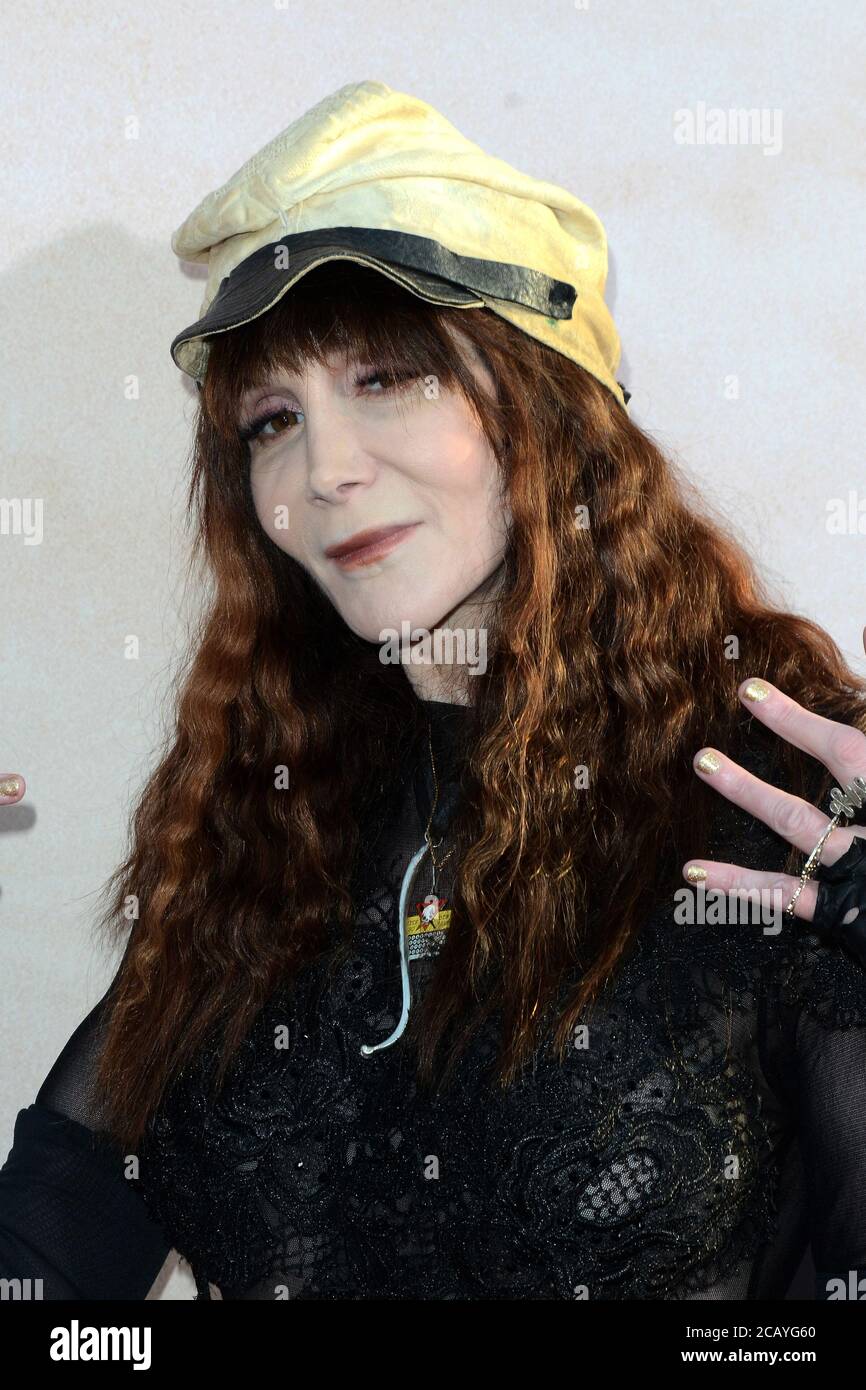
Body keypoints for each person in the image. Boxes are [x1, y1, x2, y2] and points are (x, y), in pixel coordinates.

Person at [2, 79, 866, 1302]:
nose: (323, 468)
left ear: (545, 408)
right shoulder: (266, 821)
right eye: (271, 418)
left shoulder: (779, 801)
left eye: (386, 378)